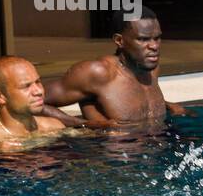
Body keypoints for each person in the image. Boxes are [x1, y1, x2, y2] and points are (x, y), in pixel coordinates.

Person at [44, 8, 187, 126]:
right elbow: (31, 102)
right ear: (119, 40)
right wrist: (84, 124)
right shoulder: (97, 73)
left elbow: (134, 96)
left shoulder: (150, 68)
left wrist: (166, 105)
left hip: (154, 149)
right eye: (143, 39)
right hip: (112, 156)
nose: (154, 46)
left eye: (157, 38)